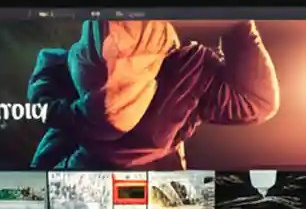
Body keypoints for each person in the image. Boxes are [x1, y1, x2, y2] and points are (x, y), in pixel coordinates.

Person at [28, 19, 280, 170]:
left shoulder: (188, 67)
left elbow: (257, 101)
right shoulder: (189, 67)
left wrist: (236, 23)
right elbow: (257, 101)